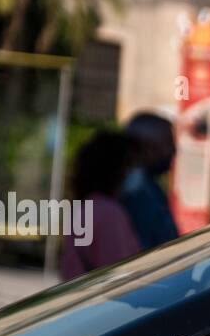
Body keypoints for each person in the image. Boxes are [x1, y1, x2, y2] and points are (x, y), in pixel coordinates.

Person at [59, 131, 143, 280]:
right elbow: (121, 275)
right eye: (130, 165)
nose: (134, 172)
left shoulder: (86, 206)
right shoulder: (109, 212)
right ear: (116, 169)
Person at [120, 112, 181, 249]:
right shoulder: (136, 192)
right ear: (146, 147)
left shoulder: (145, 187)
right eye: (168, 143)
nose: (173, 151)